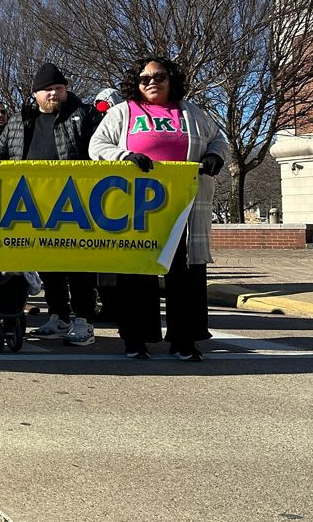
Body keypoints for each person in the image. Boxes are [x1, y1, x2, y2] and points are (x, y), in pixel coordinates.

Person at [89, 56, 226, 361]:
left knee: (185, 273)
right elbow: (96, 146)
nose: (152, 82)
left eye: (159, 76)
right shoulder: (123, 112)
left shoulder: (190, 112)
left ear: (171, 79)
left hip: (184, 206)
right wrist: (124, 156)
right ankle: (136, 339)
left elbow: (218, 139)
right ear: (135, 84)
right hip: (138, 207)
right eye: (144, 78)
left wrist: (215, 156)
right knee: (137, 273)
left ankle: (184, 339)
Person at [0, 63, 102, 346]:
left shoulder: (84, 115)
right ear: (35, 93)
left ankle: (83, 320)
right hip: (31, 203)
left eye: (59, 88)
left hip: (75, 202)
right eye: (47, 90)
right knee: (48, 263)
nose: (54, 94)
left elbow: (100, 153)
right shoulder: (18, 121)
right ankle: (58, 315)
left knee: (79, 264)